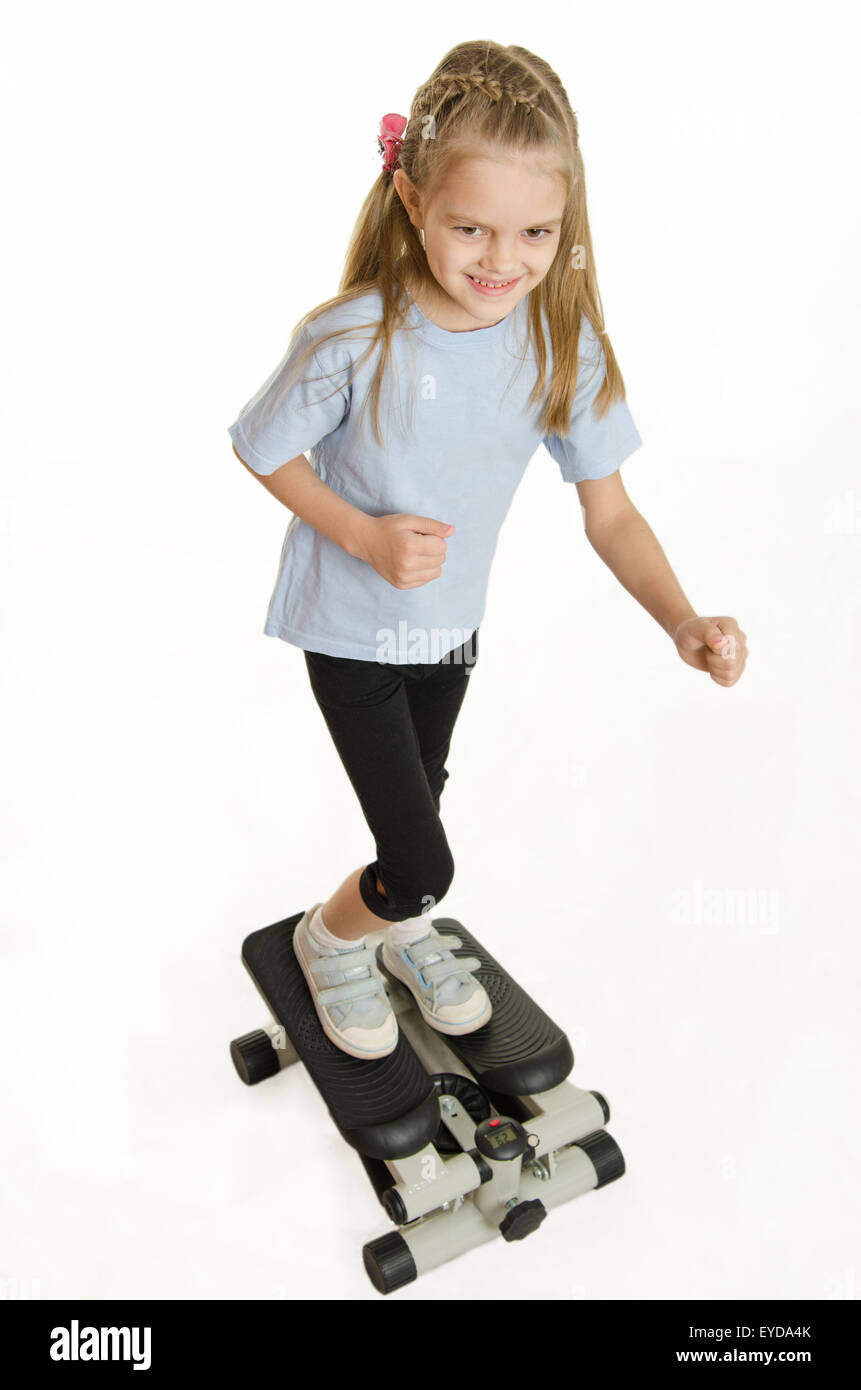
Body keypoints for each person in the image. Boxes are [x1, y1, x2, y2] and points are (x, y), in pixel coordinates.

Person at [226, 40, 748, 1062]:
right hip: (350, 627)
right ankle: (335, 940)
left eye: (535, 233)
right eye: (470, 226)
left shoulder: (562, 344)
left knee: (426, 792)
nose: (501, 261)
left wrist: (682, 617)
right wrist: (361, 533)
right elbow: (261, 448)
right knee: (423, 854)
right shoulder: (357, 337)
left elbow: (613, 514)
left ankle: (400, 919)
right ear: (413, 201)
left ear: (567, 223)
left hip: (452, 627)